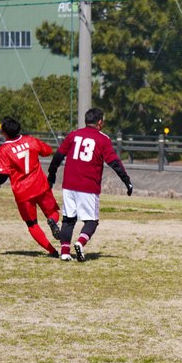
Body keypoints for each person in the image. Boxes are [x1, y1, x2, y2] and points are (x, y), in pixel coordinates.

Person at [47, 107, 133, 262]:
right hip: (88, 185)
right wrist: (126, 181)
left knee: (68, 219)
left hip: (69, 184)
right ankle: (80, 243)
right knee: (92, 221)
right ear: (100, 122)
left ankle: (65, 252)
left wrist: (51, 175)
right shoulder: (103, 139)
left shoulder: (73, 135)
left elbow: (58, 156)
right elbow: (114, 162)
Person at [0, 116, 62, 257]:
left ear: (4, 133)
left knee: (32, 224)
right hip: (41, 185)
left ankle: (52, 251)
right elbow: (48, 151)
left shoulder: (3, 150)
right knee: (53, 212)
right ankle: (52, 221)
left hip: (22, 192)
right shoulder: (31, 140)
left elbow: (4, 173)